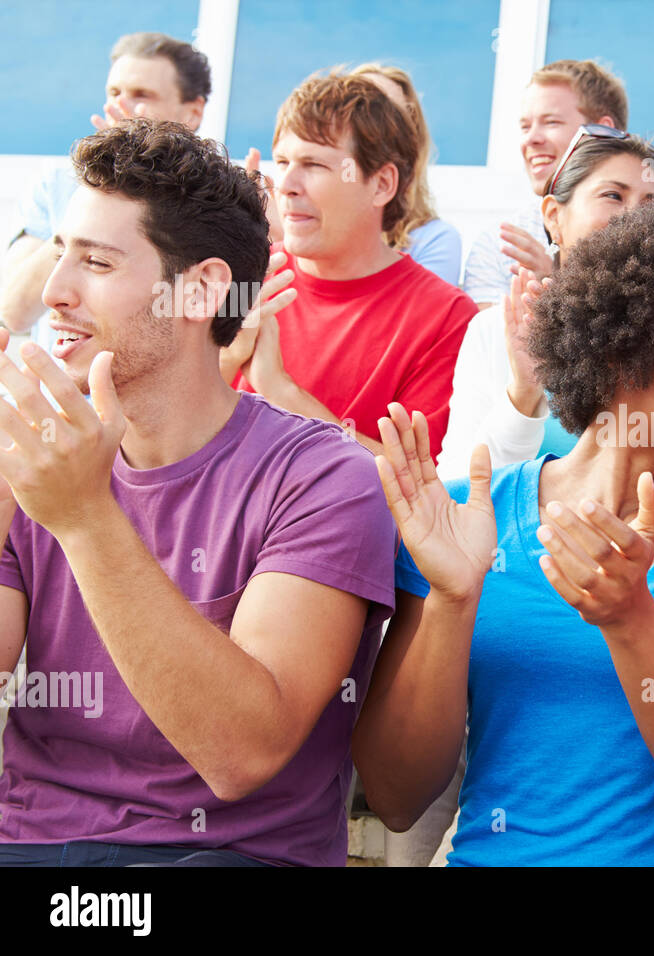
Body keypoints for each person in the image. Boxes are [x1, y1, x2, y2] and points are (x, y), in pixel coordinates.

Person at [354, 199, 654, 866]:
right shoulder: (465, 518)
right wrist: (453, 600)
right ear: (629, 355)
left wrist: (630, 619)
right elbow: (396, 794)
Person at [0, 121, 395, 866]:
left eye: (96, 261)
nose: (55, 292)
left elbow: (242, 751)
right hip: (31, 845)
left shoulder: (322, 479)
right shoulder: (34, 457)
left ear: (203, 289)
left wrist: (85, 519)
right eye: (59, 254)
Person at [224, 71, 477, 457]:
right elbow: (165, 438)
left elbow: (418, 494)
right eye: (282, 160)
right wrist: (225, 361)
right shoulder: (244, 278)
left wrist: (281, 390)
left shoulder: (445, 318)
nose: (286, 184)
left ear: (381, 185)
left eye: (314, 165)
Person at [438, 127, 654, 479]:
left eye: (650, 206)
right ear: (553, 216)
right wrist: (523, 394)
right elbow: (457, 488)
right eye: (612, 195)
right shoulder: (496, 330)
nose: (633, 218)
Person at [2, 32, 210, 348]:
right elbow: (13, 312)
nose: (122, 107)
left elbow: (224, 315)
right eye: (114, 93)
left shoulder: (215, 195)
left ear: (192, 112)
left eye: (142, 95)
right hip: (63, 393)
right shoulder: (60, 182)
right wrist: (100, 183)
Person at [461, 59, 627, 308]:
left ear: (601, 133)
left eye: (551, 122)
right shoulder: (499, 244)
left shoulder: (646, 232)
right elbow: (491, 343)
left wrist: (554, 281)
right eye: (525, 126)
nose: (532, 139)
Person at [351, 63, 462, 284]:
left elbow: (413, 317)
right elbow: (260, 313)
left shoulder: (435, 240)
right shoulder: (300, 226)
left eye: (388, 114)